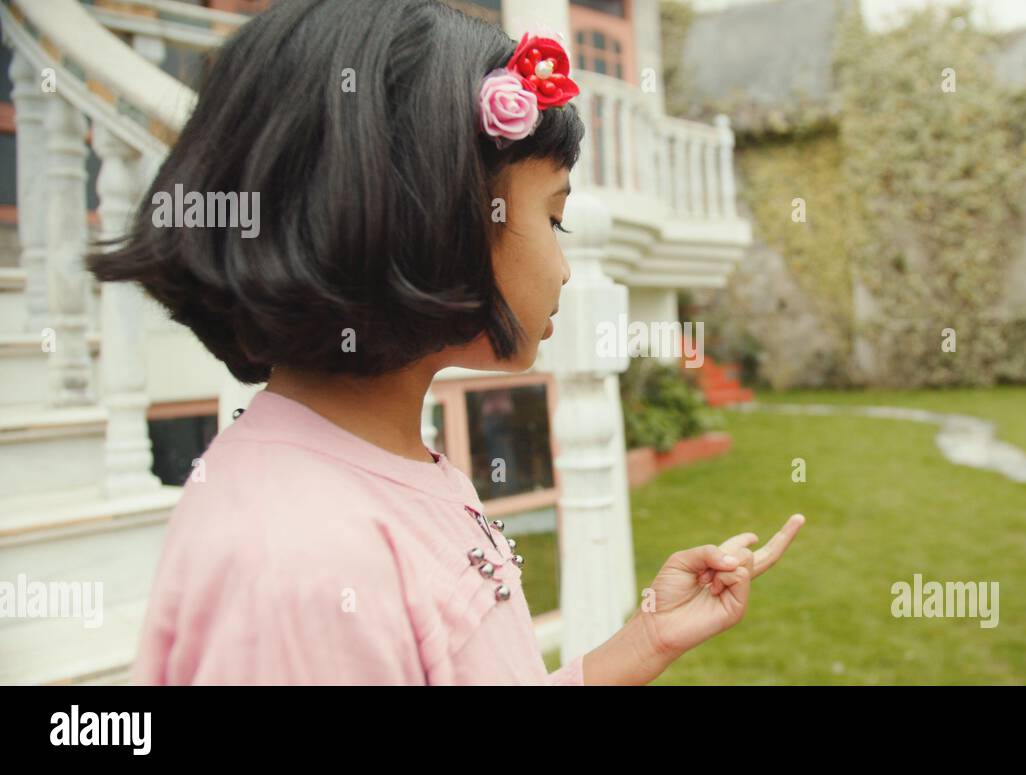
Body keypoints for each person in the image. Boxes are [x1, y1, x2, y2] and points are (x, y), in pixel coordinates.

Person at [91, 0, 804, 686]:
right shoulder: (302, 560)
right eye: (553, 219)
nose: (562, 264)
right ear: (429, 214)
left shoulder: (379, 470)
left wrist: (647, 636)